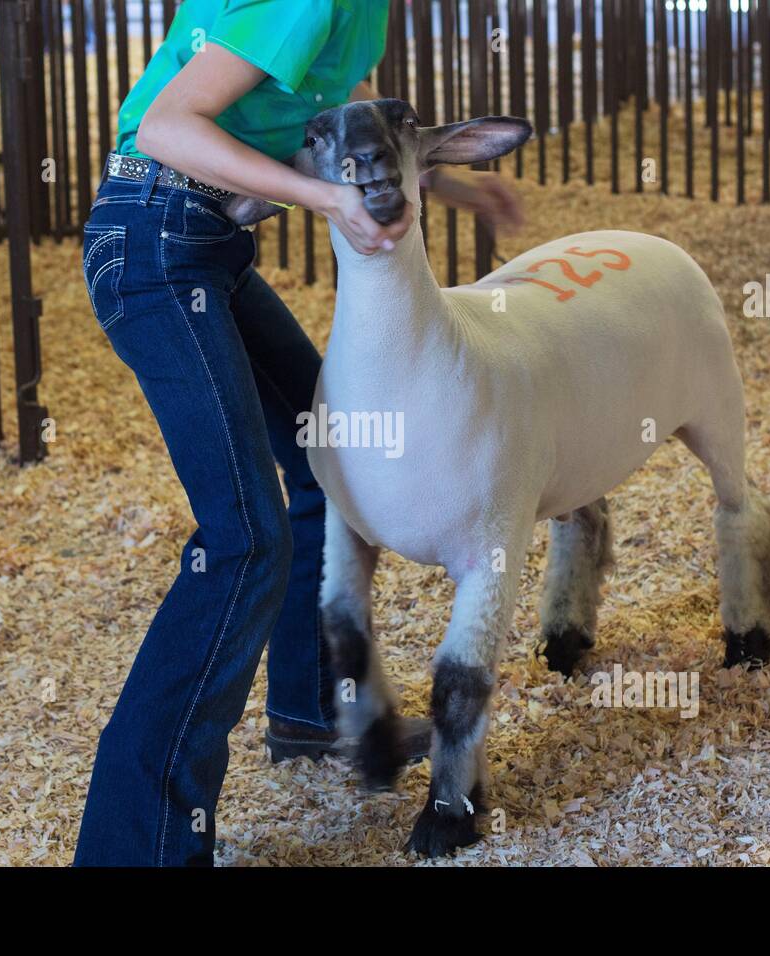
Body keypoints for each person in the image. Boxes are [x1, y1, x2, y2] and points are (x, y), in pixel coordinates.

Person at [74, 0, 524, 867]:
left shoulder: (362, 14)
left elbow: (336, 117)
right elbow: (168, 127)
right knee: (244, 540)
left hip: (205, 246)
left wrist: (452, 183)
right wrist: (326, 196)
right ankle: (134, 851)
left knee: (322, 463)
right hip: (155, 236)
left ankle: (313, 713)